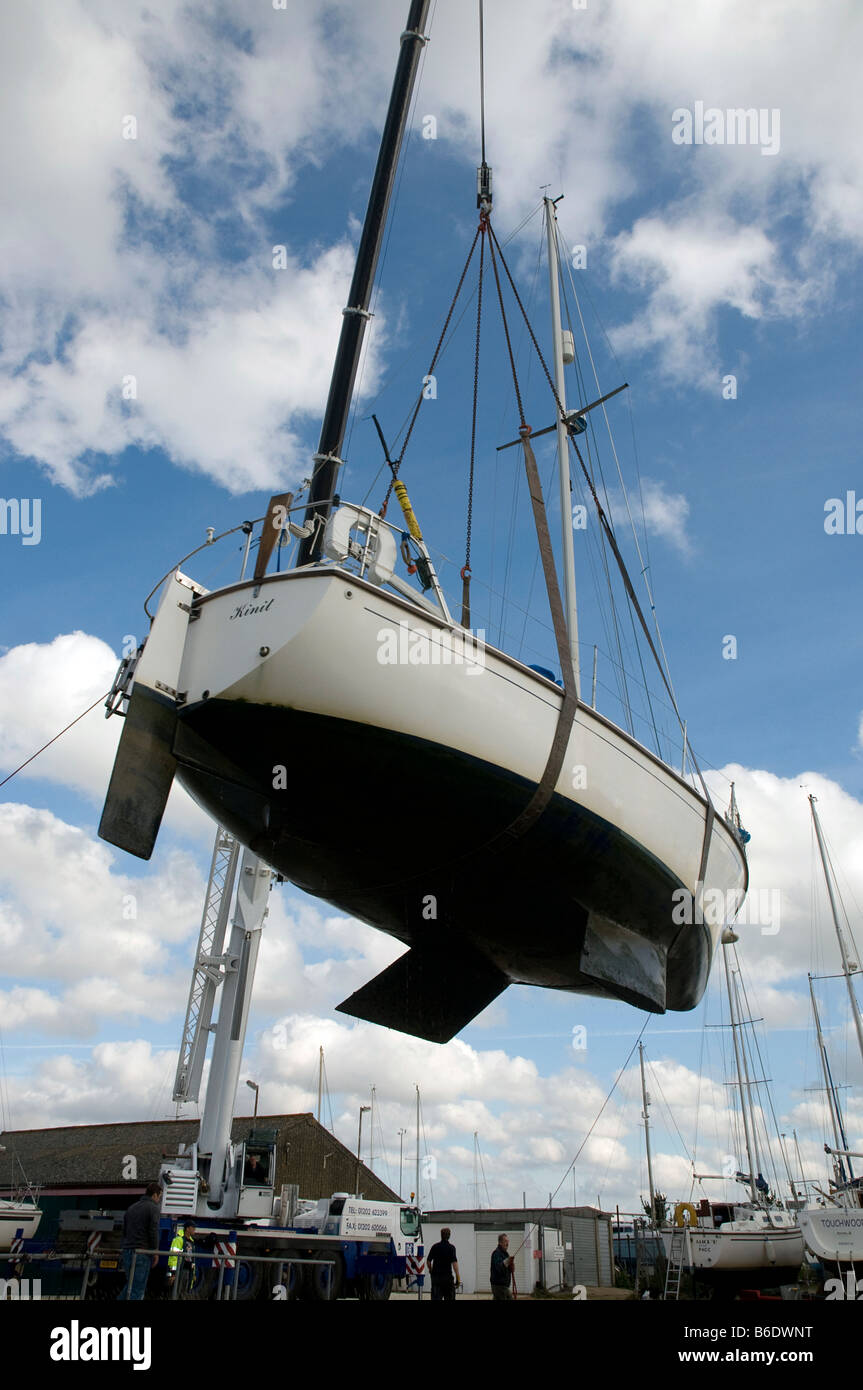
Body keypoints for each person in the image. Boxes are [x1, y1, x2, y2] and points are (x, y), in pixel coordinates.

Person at [119, 1182, 162, 1300]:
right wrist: (155, 1251)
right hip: (142, 1252)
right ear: (154, 1195)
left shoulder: (131, 1207)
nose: (159, 1200)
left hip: (127, 1251)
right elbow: (153, 1230)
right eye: (159, 1197)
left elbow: (125, 1230)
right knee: (137, 1289)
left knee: (131, 1286)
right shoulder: (153, 1208)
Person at [427, 1226, 460, 1300]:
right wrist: (458, 1277)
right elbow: (454, 1264)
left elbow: (428, 1261)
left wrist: (430, 1269)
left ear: (441, 1235)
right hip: (448, 1279)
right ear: (449, 1236)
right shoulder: (451, 1248)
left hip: (437, 1279)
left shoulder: (435, 1247)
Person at [490, 1233, 514, 1300]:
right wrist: (507, 1261)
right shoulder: (496, 1253)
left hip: (502, 1286)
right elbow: (498, 1268)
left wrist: (512, 1265)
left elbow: (509, 1270)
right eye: (505, 1241)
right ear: (500, 1242)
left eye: (508, 1241)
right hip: (499, 1286)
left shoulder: (505, 1254)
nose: (507, 1243)